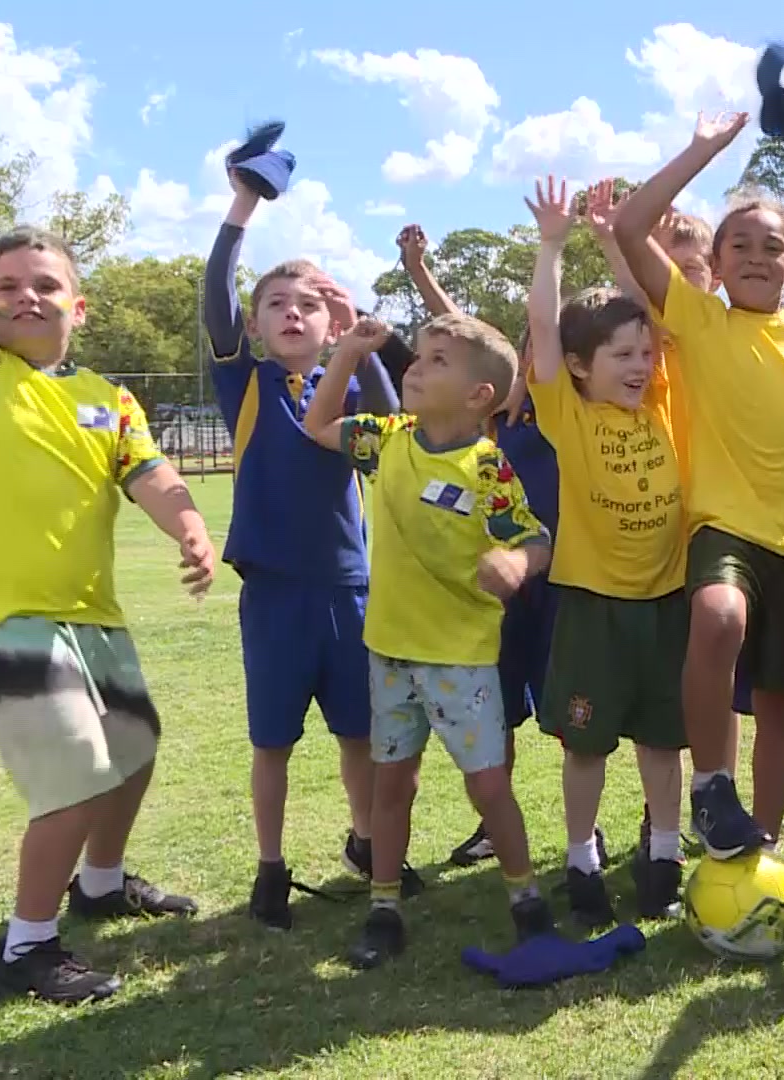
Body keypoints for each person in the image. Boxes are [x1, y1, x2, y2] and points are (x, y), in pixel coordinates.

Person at [0, 96, 211, 1004]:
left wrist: (188, 525)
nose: (26, 297)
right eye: (5, 289)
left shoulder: (111, 397)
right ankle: (27, 947)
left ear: (79, 304)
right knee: (74, 772)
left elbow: (148, 476)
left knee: (136, 749)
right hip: (8, 617)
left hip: (92, 614)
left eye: (45, 285)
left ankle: (100, 887)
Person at [612, 111, 784, 857]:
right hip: (724, 525)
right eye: (740, 244)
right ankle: (710, 786)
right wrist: (705, 149)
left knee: (779, 704)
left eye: (774, 246)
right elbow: (629, 224)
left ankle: (758, 843)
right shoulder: (698, 319)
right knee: (719, 621)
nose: (758, 256)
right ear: (718, 260)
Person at [302, 311, 554, 969]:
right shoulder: (388, 439)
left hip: (462, 661)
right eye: (421, 355)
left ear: (480, 397)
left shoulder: (488, 467)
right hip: (389, 653)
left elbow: (536, 539)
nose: (416, 365)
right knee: (393, 785)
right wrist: (349, 356)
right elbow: (318, 426)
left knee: (489, 787)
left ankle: (525, 898)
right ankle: (384, 906)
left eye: (438, 359)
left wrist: (517, 565)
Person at [207, 166, 408, 929]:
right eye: (278, 305)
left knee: (360, 734)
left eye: (311, 305)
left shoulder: (347, 386)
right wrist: (244, 206)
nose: (294, 314)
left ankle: (366, 844)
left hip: (351, 591)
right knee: (273, 745)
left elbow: (393, 435)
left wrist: (362, 345)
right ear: (256, 326)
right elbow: (216, 289)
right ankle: (270, 867)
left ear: (331, 323)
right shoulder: (247, 383)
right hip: (276, 596)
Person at [520, 176, 690, 927]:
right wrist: (553, 245)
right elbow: (545, 329)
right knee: (586, 746)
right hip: (592, 606)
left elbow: (652, 310)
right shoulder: (567, 412)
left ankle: (664, 851)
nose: (639, 362)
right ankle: (582, 859)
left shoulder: (660, 404)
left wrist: (613, 241)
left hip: (665, 603)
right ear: (583, 365)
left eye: (644, 352)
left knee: (663, 739)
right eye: (621, 352)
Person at [392, 223, 568, 872]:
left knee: (573, 716)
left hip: (557, 578)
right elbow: (462, 332)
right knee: (500, 714)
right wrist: (417, 271)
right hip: (497, 593)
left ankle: (588, 831)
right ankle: (494, 826)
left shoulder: (563, 417)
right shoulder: (493, 421)